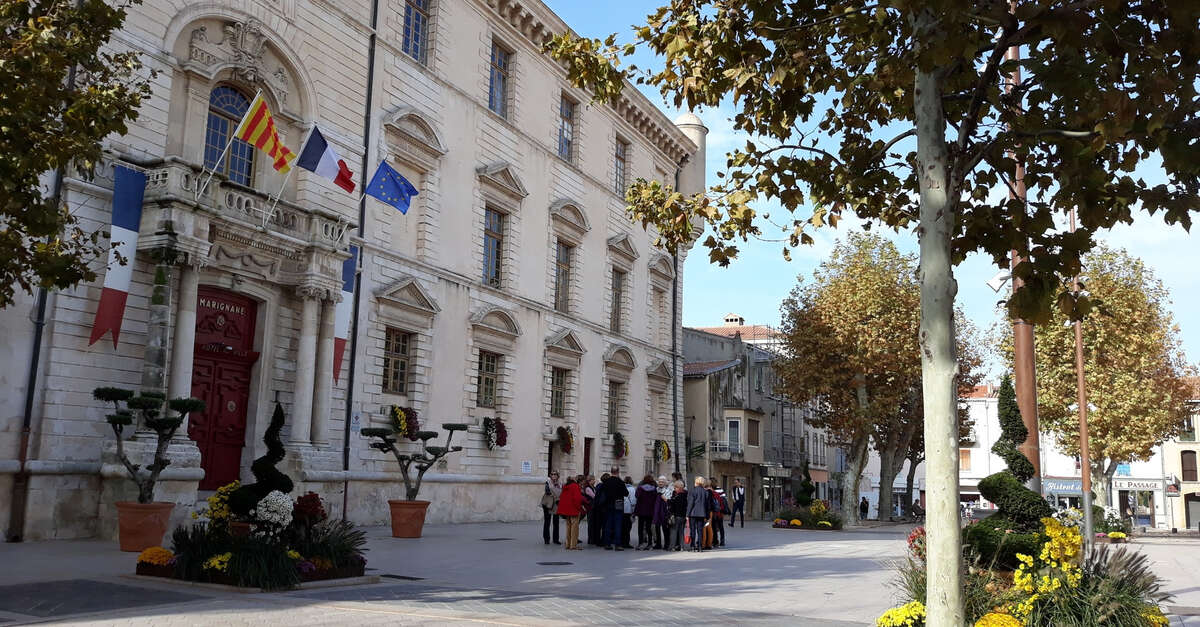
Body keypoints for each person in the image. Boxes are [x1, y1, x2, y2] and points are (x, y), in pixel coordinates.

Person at [600, 467, 628, 550]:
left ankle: (607, 543)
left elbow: (603, 492)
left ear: (611, 471)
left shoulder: (606, 482)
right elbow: (626, 493)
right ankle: (618, 544)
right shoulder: (620, 482)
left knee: (608, 524)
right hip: (618, 504)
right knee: (618, 524)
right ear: (618, 472)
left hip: (608, 504)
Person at [557, 476, 584, 550]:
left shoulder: (566, 486)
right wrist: (579, 508)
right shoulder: (575, 486)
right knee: (574, 528)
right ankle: (573, 545)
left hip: (567, 510)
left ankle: (568, 544)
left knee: (568, 527)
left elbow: (562, 498)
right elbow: (577, 498)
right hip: (574, 509)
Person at [686, 476, 711, 552]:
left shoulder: (692, 491)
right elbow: (707, 506)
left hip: (693, 513)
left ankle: (692, 546)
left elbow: (690, 503)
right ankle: (700, 546)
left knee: (692, 530)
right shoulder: (705, 492)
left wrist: (687, 514)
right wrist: (707, 516)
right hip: (702, 513)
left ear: (696, 482)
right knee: (700, 531)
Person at [634, 475, 658, 550]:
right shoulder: (654, 489)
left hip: (641, 511)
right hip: (650, 511)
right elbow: (655, 499)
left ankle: (640, 543)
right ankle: (650, 544)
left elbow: (636, 496)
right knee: (649, 528)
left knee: (640, 528)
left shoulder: (640, 489)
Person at [542, 470, 562, 545]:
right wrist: (557, 494)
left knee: (556, 522)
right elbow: (548, 491)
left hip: (556, 504)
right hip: (548, 503)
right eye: (552, 474)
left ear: (558, 475)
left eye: (555, 474)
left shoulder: (560, 483)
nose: (553, 475)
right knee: (547, 521)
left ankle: (556, 539)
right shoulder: (548, 482)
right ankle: (546, 539)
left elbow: (562, 492)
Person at [668, 480, 688, 551]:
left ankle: (672, 547)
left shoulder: (677, 496)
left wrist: (667, 501)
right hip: (683, 516)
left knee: (674, 531)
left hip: (676, 516)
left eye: (675, 487)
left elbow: (672, 505)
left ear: (679, 488)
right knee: (681, 532)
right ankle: (682, 546)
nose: (674, 488)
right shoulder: (686, 494)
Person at [654, 475, 672, 550]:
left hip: (664, 511)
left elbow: (669, 500)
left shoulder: (668, 490)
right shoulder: (656, 489)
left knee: (665, 529)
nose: (660, 483)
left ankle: (667, 544)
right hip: (657, 511)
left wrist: (664, 498)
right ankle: (658, 544)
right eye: (659, 481)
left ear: (665, 483)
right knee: (657, 528)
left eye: (662, 482)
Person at [710, 477, 728, 547]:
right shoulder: (720, 490)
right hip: (720, 511)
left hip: (714, 512)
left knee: (714, 526)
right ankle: (722, 540)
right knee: (721, 526)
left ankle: (715, 540)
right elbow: (724, 500)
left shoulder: (710, 490)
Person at [621, 476, 636, 549]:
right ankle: (626, 542)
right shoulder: (632, 489)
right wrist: (633, 511)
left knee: (622, 526)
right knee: (628, 527)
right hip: (628, 509)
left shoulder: (621, 487)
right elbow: (633, 501)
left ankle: (621, 541)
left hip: (621, 509)